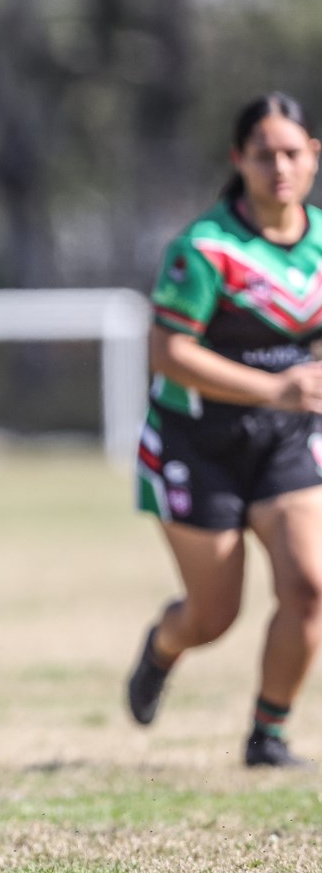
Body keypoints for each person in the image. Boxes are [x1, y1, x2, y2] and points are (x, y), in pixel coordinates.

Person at [128, 91, 322, 768]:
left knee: (308, 586)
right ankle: (164, 644)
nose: (280, 167)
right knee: (213, 617)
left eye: (293, 152)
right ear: (239, 159)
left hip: (284, 443)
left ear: (314, 157)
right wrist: (280, 385)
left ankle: (267, 734)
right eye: (264, 154)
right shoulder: (205, 248)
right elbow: (168, 352)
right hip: (194, 442)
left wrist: (294, 394)